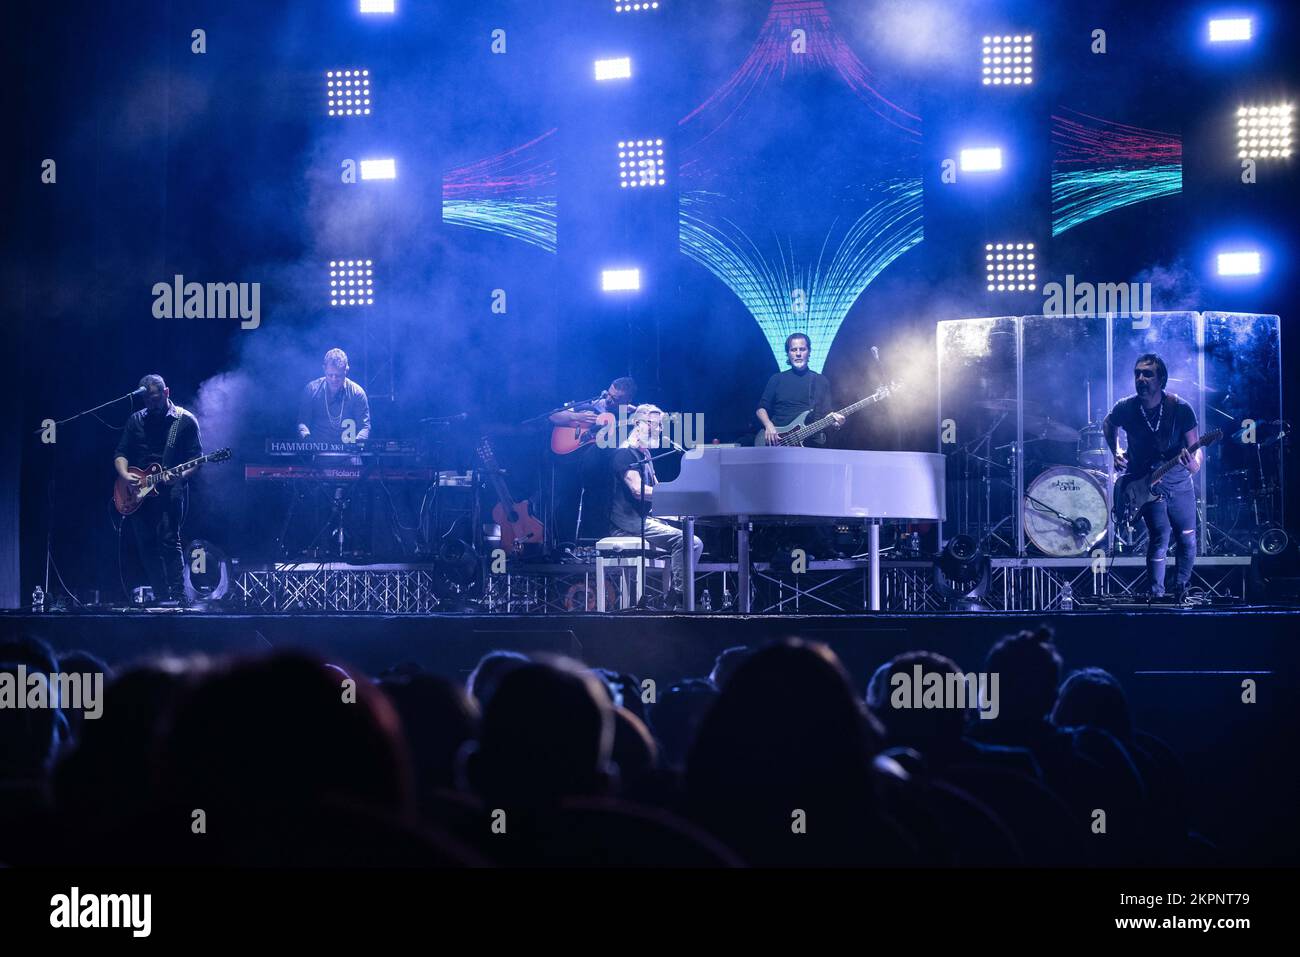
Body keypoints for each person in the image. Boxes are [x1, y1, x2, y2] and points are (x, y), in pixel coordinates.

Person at [1103, 353, 1202, 600]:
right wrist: (1115, 451)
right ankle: (1156, 594)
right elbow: (1108, 423)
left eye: (1148, 374)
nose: (1141, 378)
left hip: (1178, 481)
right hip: (1146, 483)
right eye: (1137, 373)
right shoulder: (1126, 408)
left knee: (1187, 537)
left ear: (1161, 379)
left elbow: (1196, 449)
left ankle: (1181, 591)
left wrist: (1194, 465)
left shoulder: (1180, 409)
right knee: (1160, 536)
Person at [114, 375, 202, 606]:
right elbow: (121, 452)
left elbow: (197, 459)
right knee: (146, 543)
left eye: (155, 398)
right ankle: (162, 597)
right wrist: (125, 475)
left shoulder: (184, 421)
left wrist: (179, 477)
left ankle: (179, 597)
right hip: (138, 491)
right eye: (147, 400)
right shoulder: (136, 420)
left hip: (170, 488)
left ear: (166, 393)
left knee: (169, 540)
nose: (151, 404)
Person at [608, 404, 703, 610]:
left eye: (660, 425)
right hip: (628, 522)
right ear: (638, 423)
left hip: (645, 519)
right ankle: (679, 598)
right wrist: (674, 494)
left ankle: (673, 597)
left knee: (690, 534)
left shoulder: (646, 455)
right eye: (655, 425)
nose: (660, 430)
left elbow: (657, 488)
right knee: (690, 542)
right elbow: (637, 490)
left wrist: (680, 500)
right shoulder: (624, 454)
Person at [548, 376, 636, 556]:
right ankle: (563, 545)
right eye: (610, 395)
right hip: (571, 461)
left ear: (627, 401)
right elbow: (553, 416)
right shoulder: (591, 405)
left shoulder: (628, 415)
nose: (610, 400)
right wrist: (576, 416)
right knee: (565, 497)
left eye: (617, 399)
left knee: (596, 492)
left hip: (597, 470)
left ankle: (589, 544)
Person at [755, 332, 844, 446]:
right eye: (793, 350)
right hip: (777, 441)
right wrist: (768, 425)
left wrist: (835, 422)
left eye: (802, 349)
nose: (798, 354)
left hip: (809, 444)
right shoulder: (777, 379)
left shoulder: (820, 380)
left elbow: (826, 413)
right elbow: (761, 409)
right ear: (788, 353)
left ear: (809, 352)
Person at [297, 348, 371, 444]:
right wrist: (307, 439)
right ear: (324, 369)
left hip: (349, 455)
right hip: (318, 453)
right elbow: (302, 422)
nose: (334, 379)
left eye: (338, 375)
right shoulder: (311, 390)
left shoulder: (357, 393)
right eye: (330, 375)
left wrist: (355, 445)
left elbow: (364, 426)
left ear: (346, 370)